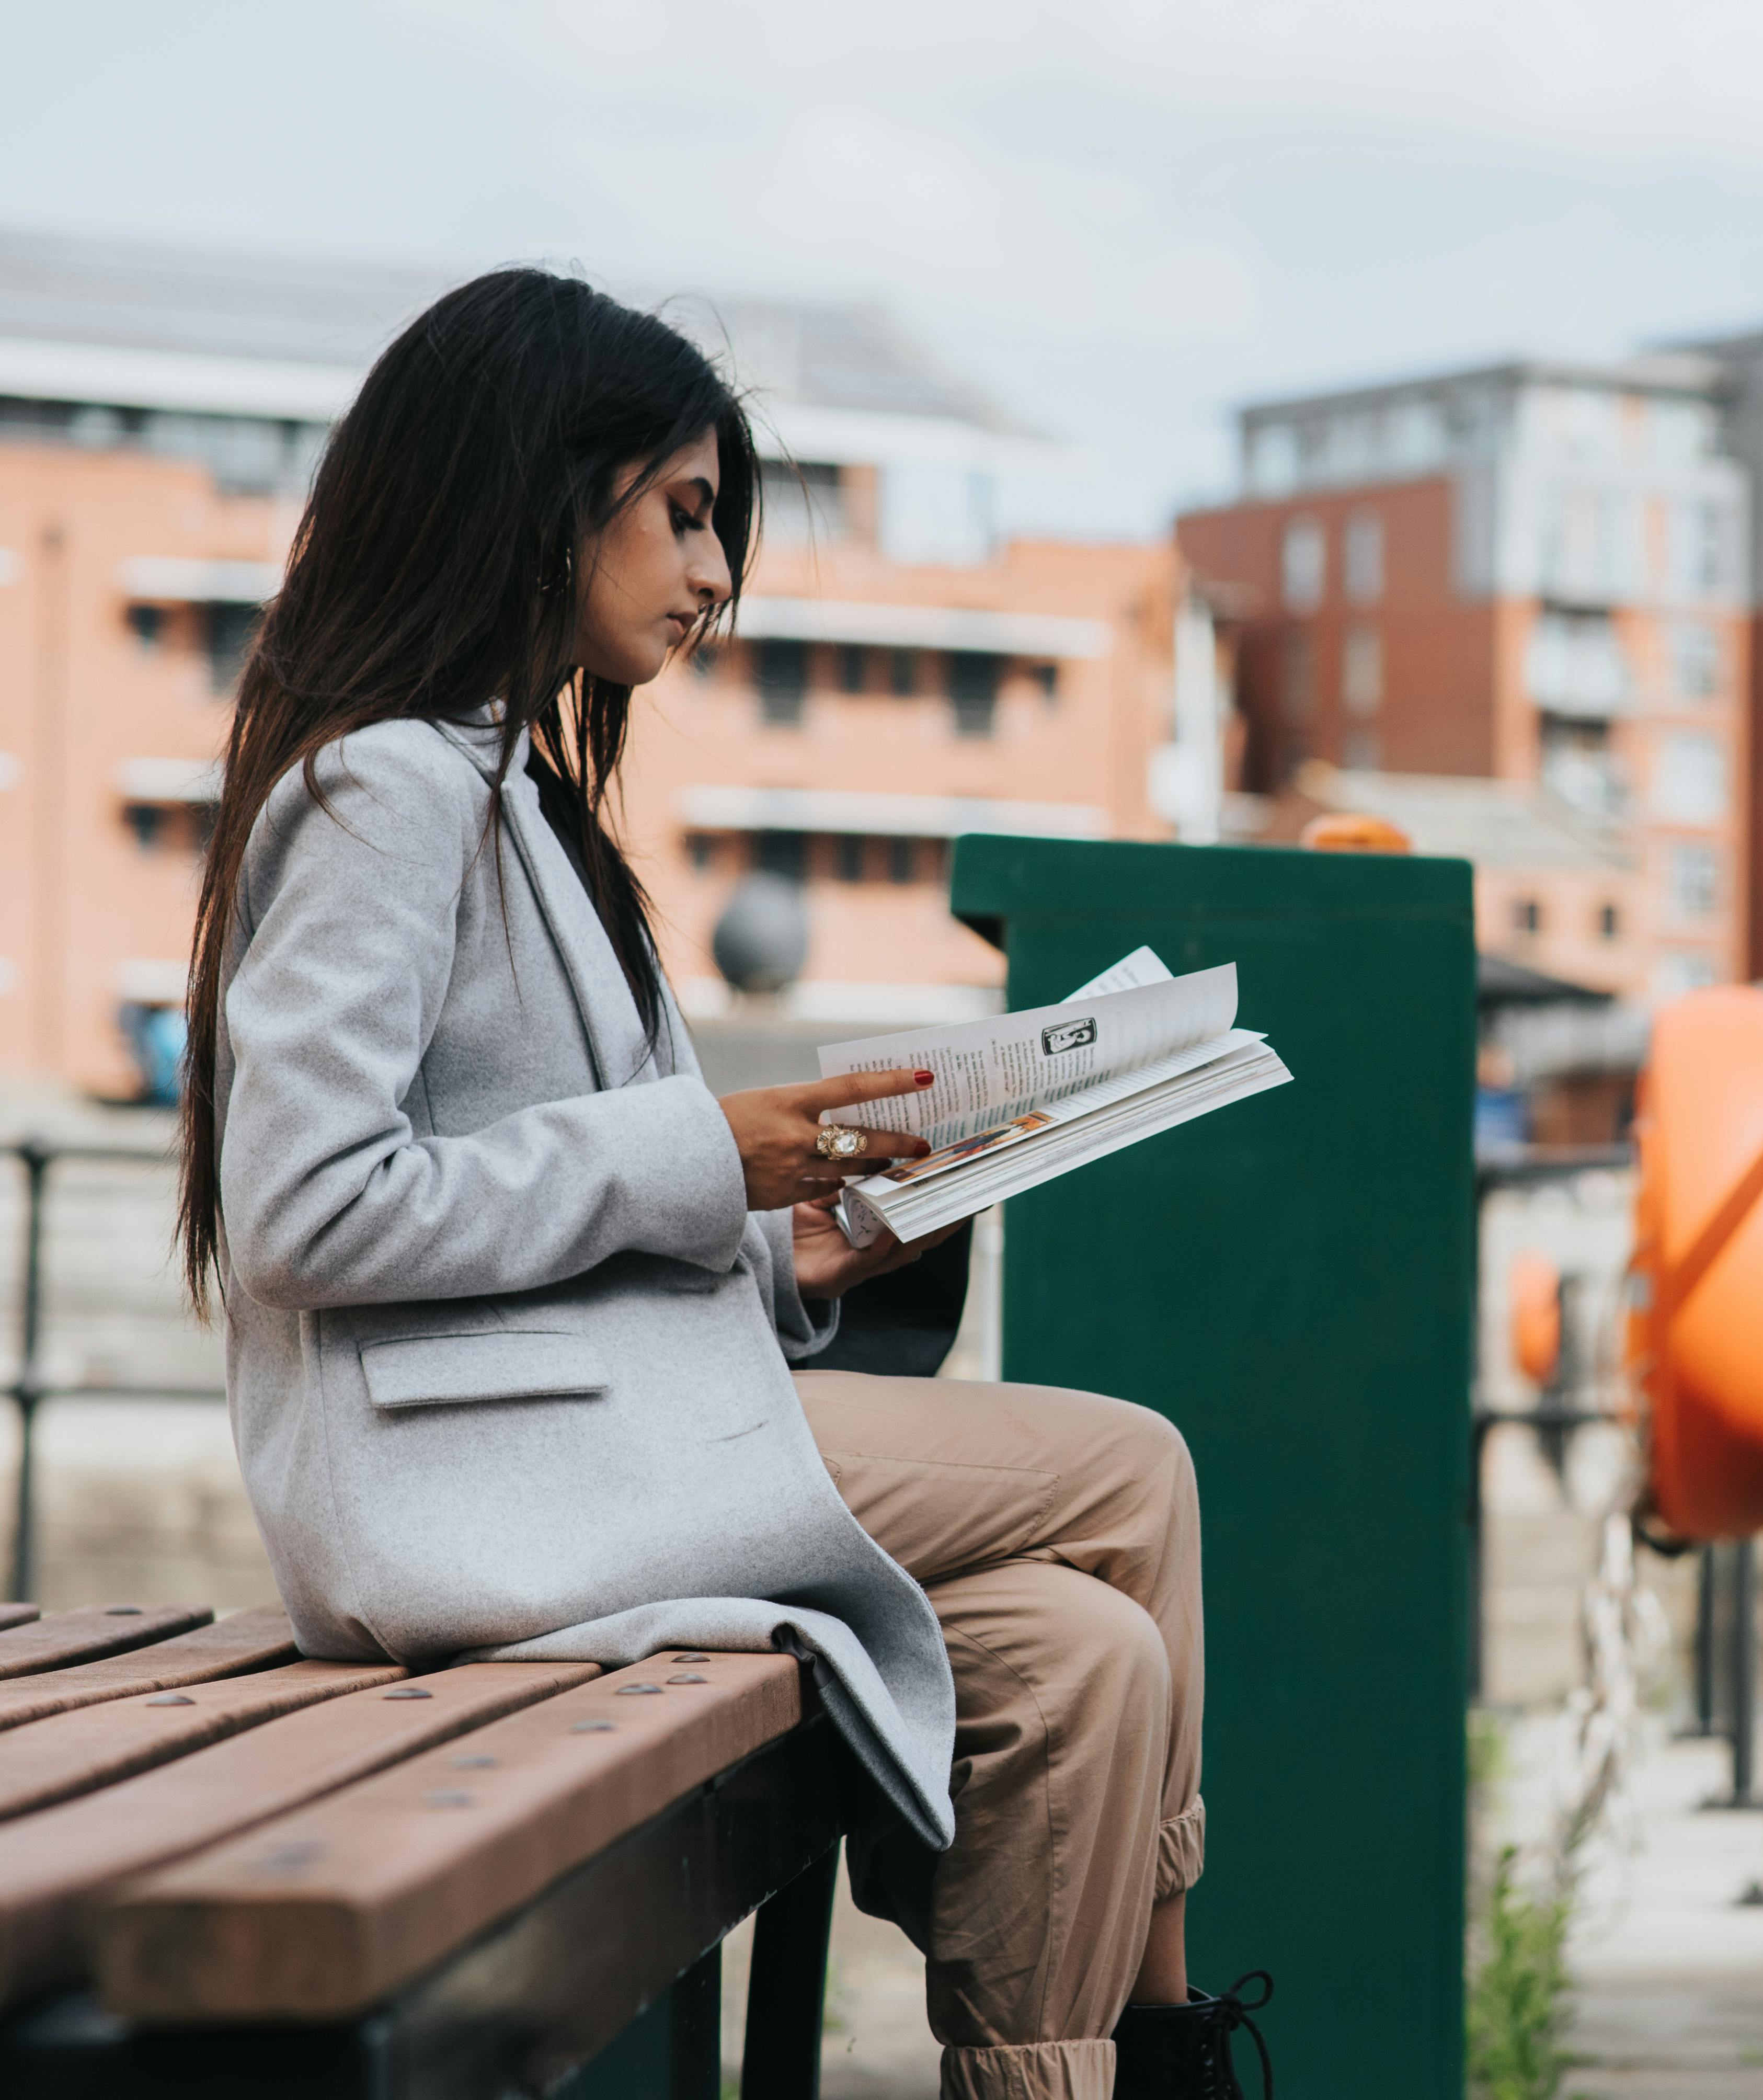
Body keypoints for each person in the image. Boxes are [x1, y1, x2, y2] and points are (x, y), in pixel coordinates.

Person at [173, 269, 1261, 2100]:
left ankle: (1069, 2070)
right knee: (1135, 1464)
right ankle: (1168, 2044)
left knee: (1086, 1662)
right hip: (475, 1492)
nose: (711, 576)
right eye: (684, 514)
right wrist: (709, 1150)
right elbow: (310, 1211)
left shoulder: (518, 804)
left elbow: (601, 1225)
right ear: (542, 486)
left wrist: (799, 1242)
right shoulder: (384, 793)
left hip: (577, 1448)